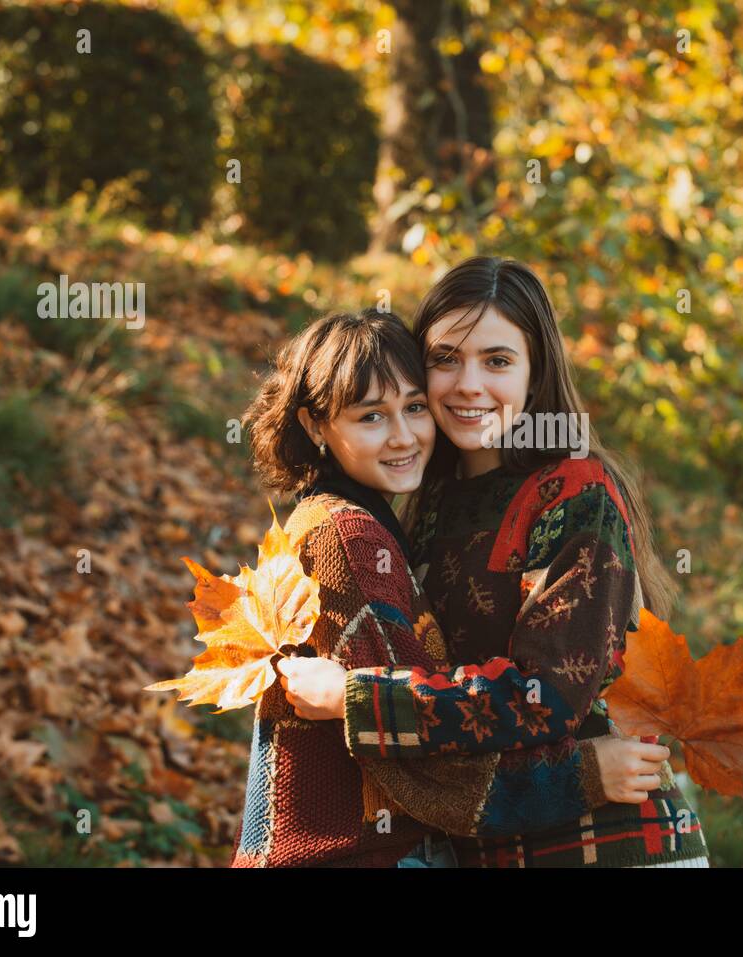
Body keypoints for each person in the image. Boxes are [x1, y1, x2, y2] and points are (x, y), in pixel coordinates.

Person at [287, 262, 710, 867]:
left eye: (498, 361)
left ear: (536, 373)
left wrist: (359, 700)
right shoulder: (425, 506)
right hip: (492, 846)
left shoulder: (574, 494)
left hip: (610, 843)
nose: (468, 384)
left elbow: (543, 697)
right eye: (446, 358)